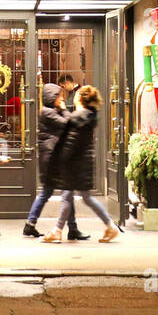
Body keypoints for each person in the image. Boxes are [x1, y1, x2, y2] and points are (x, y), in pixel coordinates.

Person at [43, 86, 119, 244]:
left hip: (74, 165)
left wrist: (60, 160)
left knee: (79, 197)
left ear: (80, 99)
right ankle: (58, 231)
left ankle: (110, 226)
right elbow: (71, 123)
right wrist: (64, 110)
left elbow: (70, 141)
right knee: (72, 196)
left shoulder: (79, 116)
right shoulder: (87, 116)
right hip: (81, 163)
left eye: (76, 95)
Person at [23, 74, 88, 240]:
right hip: (53, 159)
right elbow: (69, 123)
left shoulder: (51, 111)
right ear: (51, 97)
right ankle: (67, 228)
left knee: (62, 192)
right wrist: (65, 108)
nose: (61, 98)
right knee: (57, 192)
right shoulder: (47, 112)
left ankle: (35, 225)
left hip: (54, 158)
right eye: (59, 96)